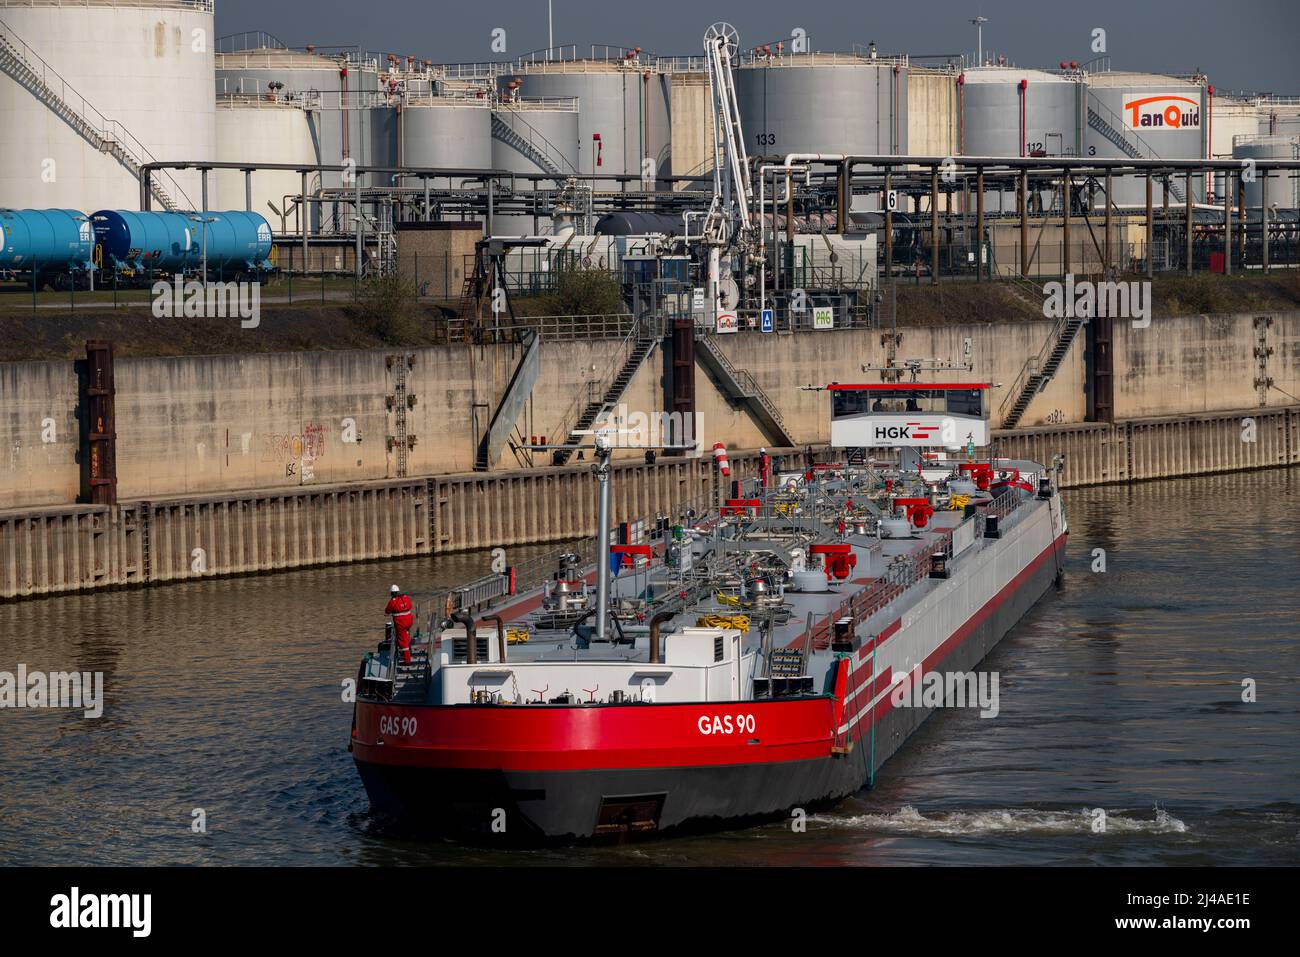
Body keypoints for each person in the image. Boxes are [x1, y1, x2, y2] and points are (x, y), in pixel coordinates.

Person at [385, 584, 415, 664]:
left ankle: (407, 660)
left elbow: (387, 610)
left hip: (401, 623)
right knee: (406, 635)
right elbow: (410, 605)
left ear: (392, 593)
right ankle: (409, 650)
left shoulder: (393, 601)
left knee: (402, 641)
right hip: (409, 620)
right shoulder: (405, 597)